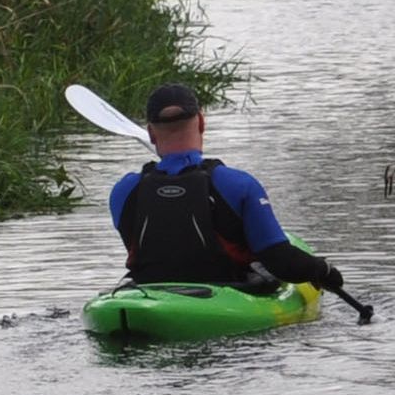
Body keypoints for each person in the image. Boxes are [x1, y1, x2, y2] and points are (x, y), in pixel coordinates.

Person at [110, 82, 355, 303]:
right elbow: (280, 261)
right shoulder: (237, 184)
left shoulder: (124, 190)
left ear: (151, 133)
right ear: (202, 122)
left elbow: (161, 248)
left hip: (147, 296)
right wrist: (324, 270)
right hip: (223, 295)